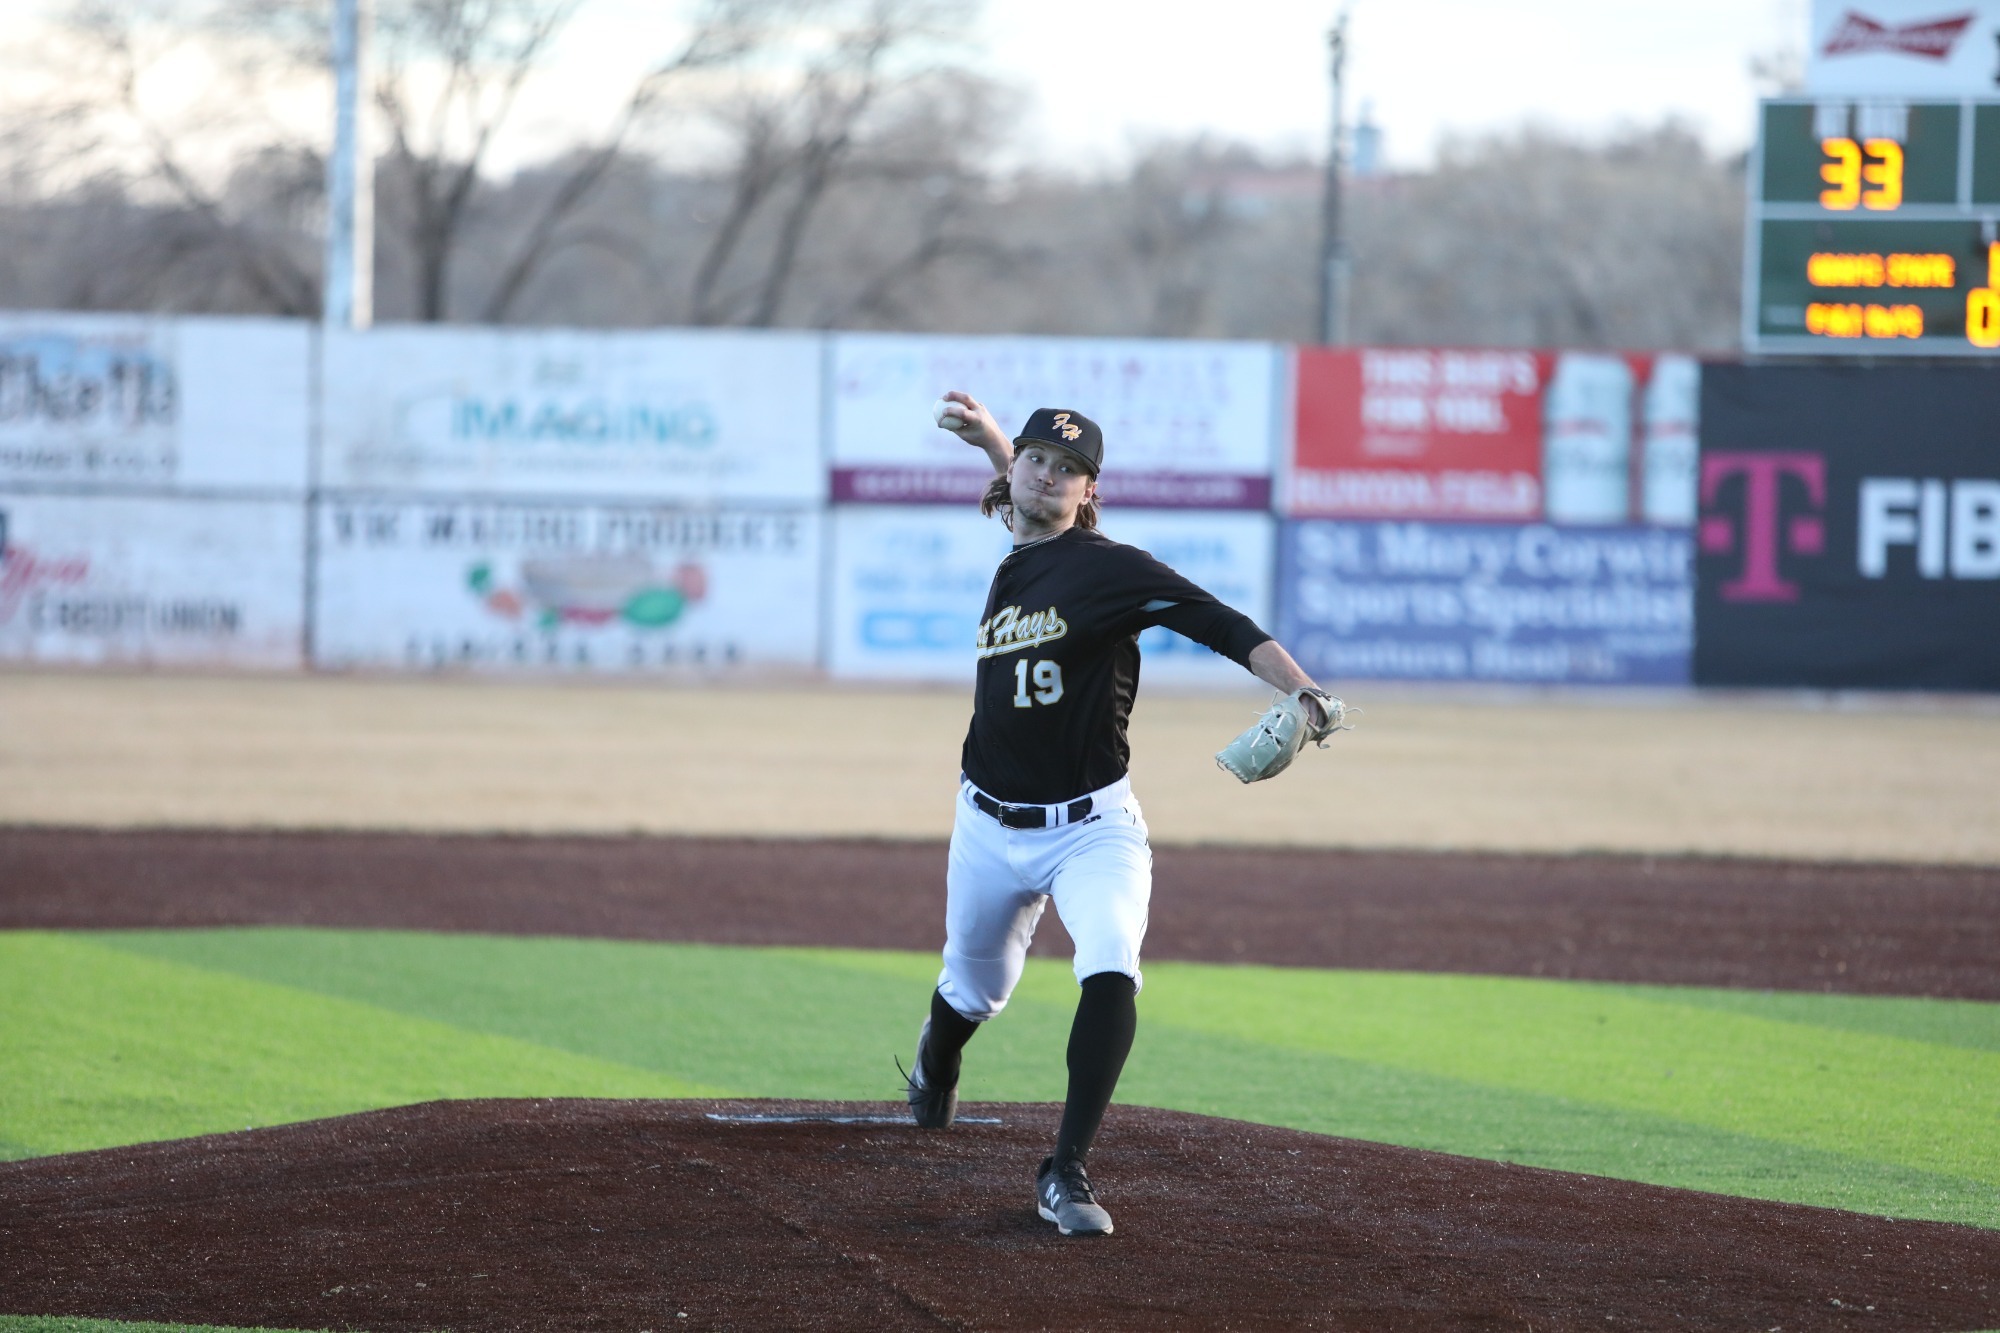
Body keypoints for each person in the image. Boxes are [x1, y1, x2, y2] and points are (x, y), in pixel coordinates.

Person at [902, 390, 1340, 1237]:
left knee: (1110, 962)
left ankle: (1064, 1170)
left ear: (1088, 491)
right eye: (1037, 458)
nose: (1047, 476)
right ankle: (936, 1057)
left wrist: (1306, 691)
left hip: (1091, 827)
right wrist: (995, 438)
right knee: (973, 990)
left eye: (1069, 469)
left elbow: (1221, 621)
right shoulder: (1023, 540)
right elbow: (1022, 502)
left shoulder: (1109, 568)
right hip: (987, 824)